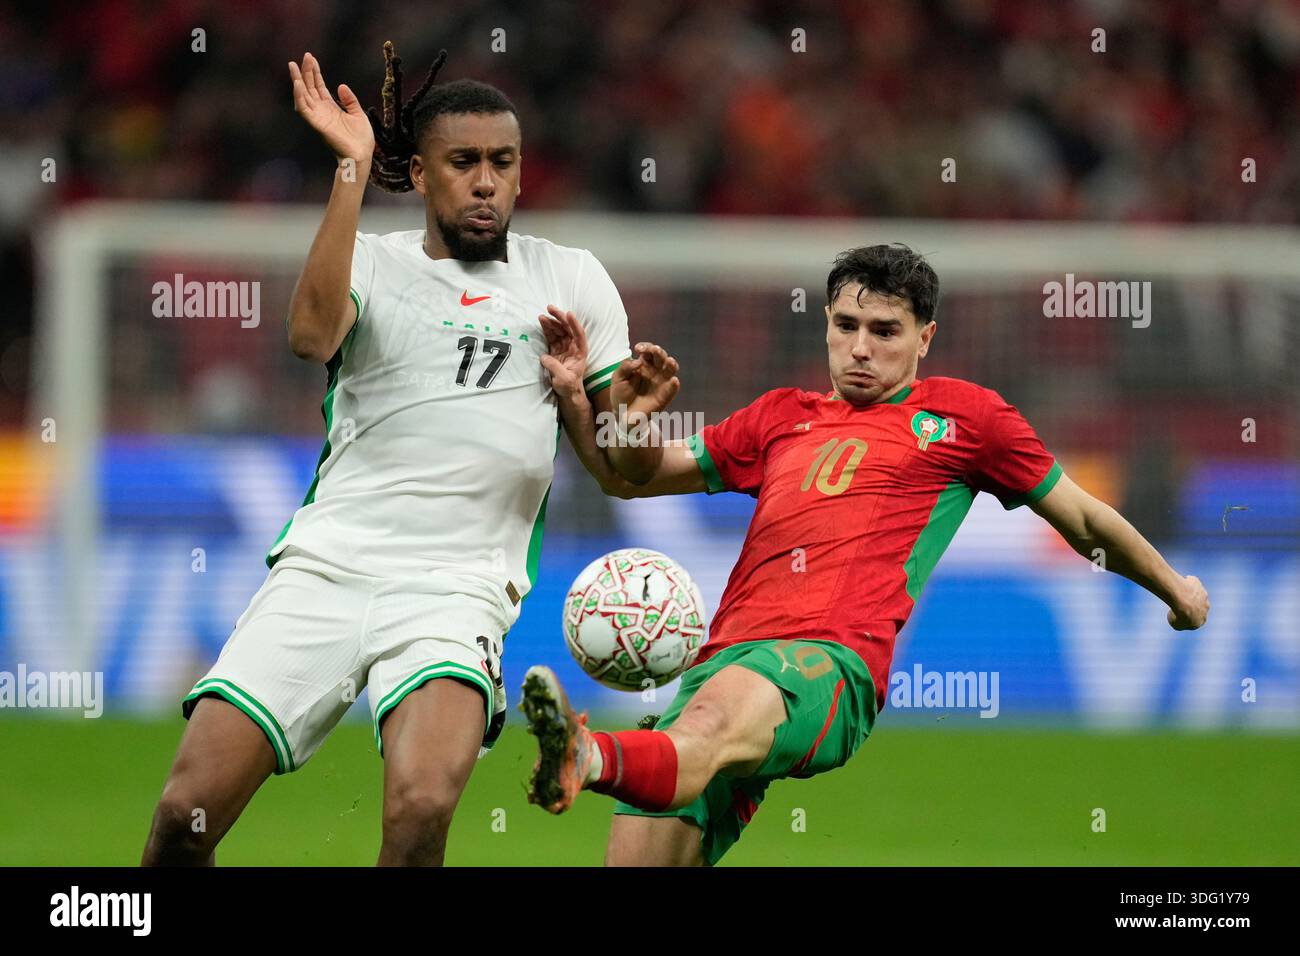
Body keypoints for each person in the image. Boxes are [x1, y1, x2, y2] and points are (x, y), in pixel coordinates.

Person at [142, 43, 663, 866]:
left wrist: (624, 407)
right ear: (419, 174)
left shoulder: (572, 278)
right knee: (184, 814)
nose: (486, 181)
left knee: (420, 806)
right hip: (327, 565)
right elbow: (309, 335)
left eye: (503, 162)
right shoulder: (375, 263)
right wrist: (350, 169)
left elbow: (620, 470)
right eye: (463, 163)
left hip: (458, 588)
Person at [522, 242, 1210, 866]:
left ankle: (587, 753)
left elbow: (1084, 517)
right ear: (825, 322)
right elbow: (629, 475)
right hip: (723, 660)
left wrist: (1174, 587)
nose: (860, 348)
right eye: (846, 327)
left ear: (924, 338)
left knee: (702, 731)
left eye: (884, 332)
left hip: (826, 663)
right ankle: (600, 757)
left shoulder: (968, 419)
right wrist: (602, 409)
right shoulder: (779, 416)